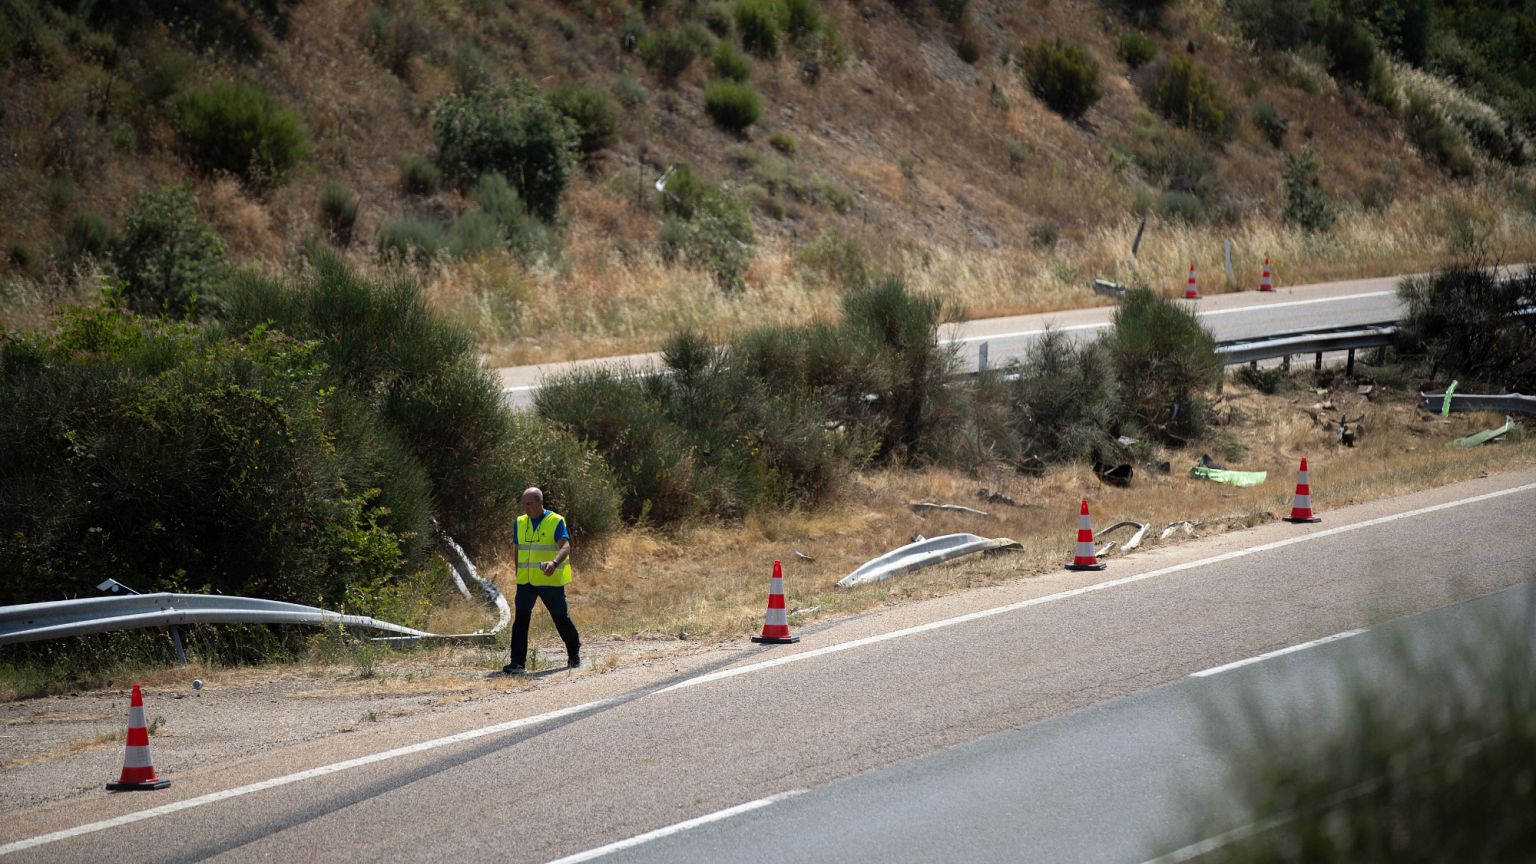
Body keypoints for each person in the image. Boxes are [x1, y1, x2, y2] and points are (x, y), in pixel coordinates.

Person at [505, 487, 581, 674]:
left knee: (560, 618)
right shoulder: (520, 522)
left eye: (529, 504)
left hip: (550, 581)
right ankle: (517, 663)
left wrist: (554, 563)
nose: (526, 508)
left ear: (540, 503)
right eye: (524, 504)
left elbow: (565, 546)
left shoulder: (555, 521)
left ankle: (574, 652)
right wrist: (517, 571)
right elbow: (517, 549)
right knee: (521, 620)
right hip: (526, 582)